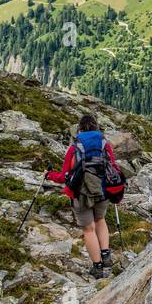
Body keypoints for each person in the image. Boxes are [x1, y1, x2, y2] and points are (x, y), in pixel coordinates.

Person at [47, 114, 116, 279]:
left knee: (88, 229)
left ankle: (97, 267)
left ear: (80, 129)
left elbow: (64, 176)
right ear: (96, 127)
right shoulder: (104, 145)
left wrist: (49, 175)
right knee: (100, 220)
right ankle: (105, 254)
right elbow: (112, 167)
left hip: (81, 193)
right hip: (102, 190)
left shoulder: (74, 148)